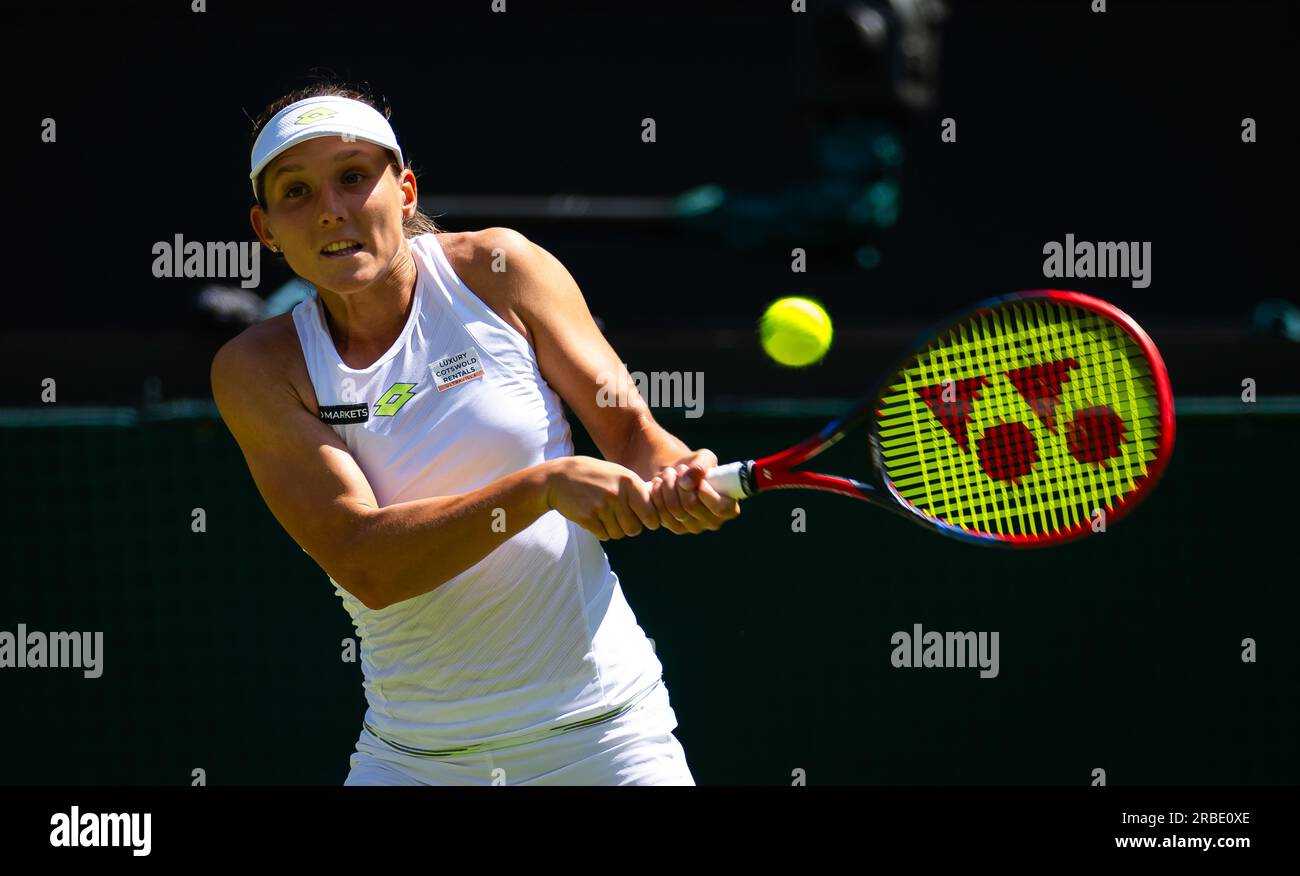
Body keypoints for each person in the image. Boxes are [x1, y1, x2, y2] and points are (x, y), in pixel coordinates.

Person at [210, 82, 740, 786]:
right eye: (296, 192)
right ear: (265, 228)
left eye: (353, 177)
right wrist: (545, 488)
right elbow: (366, 563)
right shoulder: (257, 370)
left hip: (608, 740)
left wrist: (680, 475)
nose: (332, 208)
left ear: (404, 192)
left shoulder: (501, 270)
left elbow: (633, 433)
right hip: (417, 761)